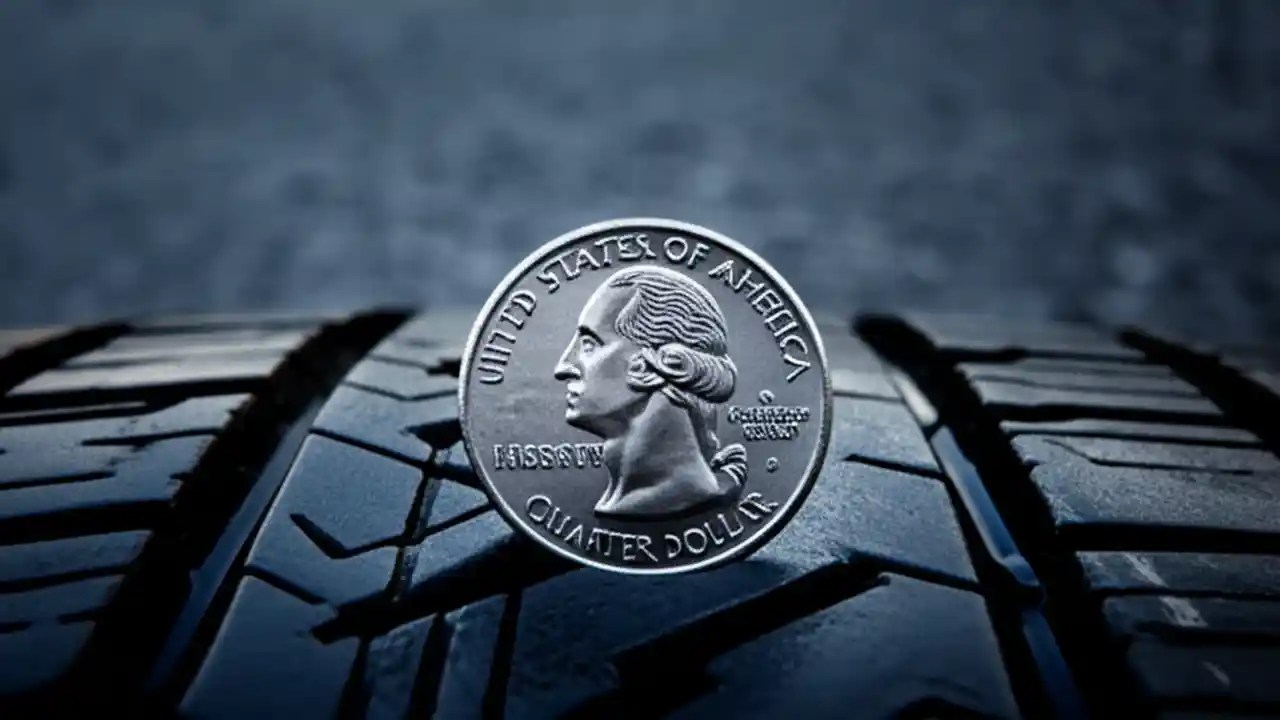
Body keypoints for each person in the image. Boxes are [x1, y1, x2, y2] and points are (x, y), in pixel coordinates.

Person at [553, 265, 747, 518]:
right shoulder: (625, 496)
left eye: (589, 345)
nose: (563, 367)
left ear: (653, 365)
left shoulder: (676, 495)